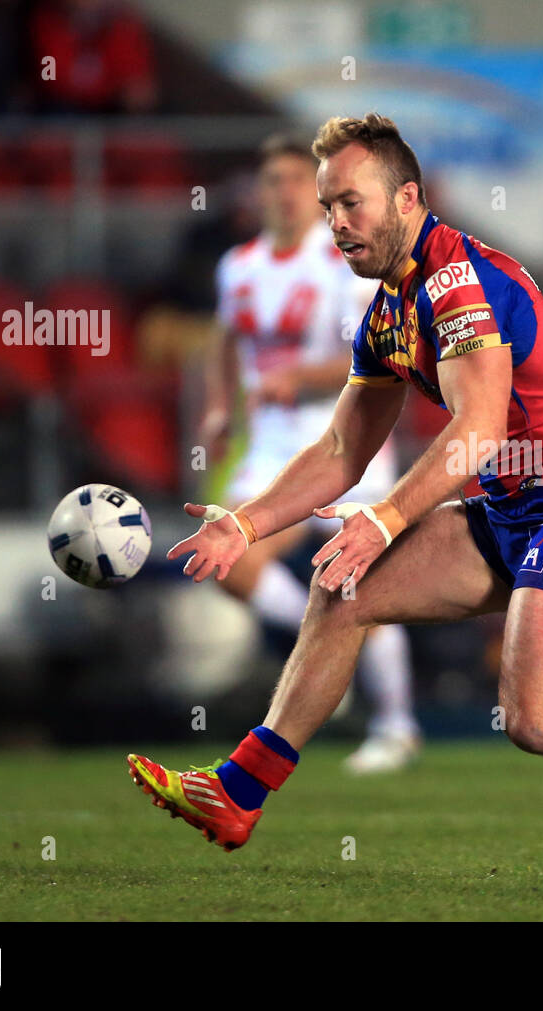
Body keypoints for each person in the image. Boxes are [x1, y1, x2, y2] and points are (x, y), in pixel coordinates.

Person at [129, 112, 543, 873]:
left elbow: (478, 430)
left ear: (409, 198)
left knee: (539, 719)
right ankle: (238, 790)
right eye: (329, 208)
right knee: (340, 590)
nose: (337, 224)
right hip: (511, 513)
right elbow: (342, 449)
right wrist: (244, 526)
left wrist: (385, 521)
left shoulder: (458, 281)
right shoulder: (388, 309)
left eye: (351, 202)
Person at [203, 134, 419, 773]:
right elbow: (222, 343)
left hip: (345, 438)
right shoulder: (237, 265)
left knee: (364, 582)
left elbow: (376, 357)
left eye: (300, 182)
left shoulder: (341, 266)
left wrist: (299, 378)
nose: (287, 193)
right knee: (227, 552)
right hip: (270, 445)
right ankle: (325, 648)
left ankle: (397, 725)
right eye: (274, 181)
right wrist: (220, 407)